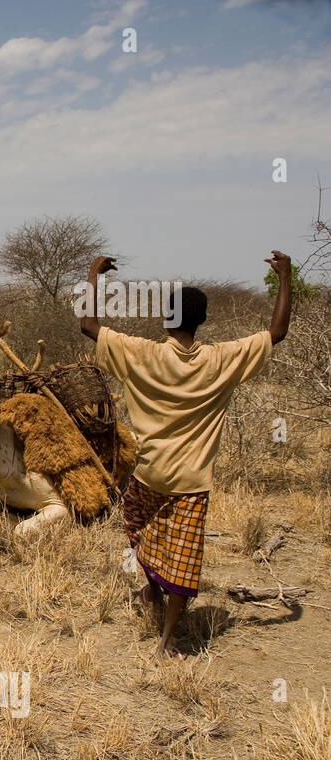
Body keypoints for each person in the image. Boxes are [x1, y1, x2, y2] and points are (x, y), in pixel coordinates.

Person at [78, 251, 293, 656]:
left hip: (148, 475)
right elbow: (276, 332)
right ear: (201, 321)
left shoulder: (143, 354)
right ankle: (167, 639)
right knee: (182, 559)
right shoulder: (220, 361)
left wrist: (93, 274)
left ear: (166, 319)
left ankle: (153, 596)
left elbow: (88, 325)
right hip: (191, 482)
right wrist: (285, 277)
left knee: (143, 536)